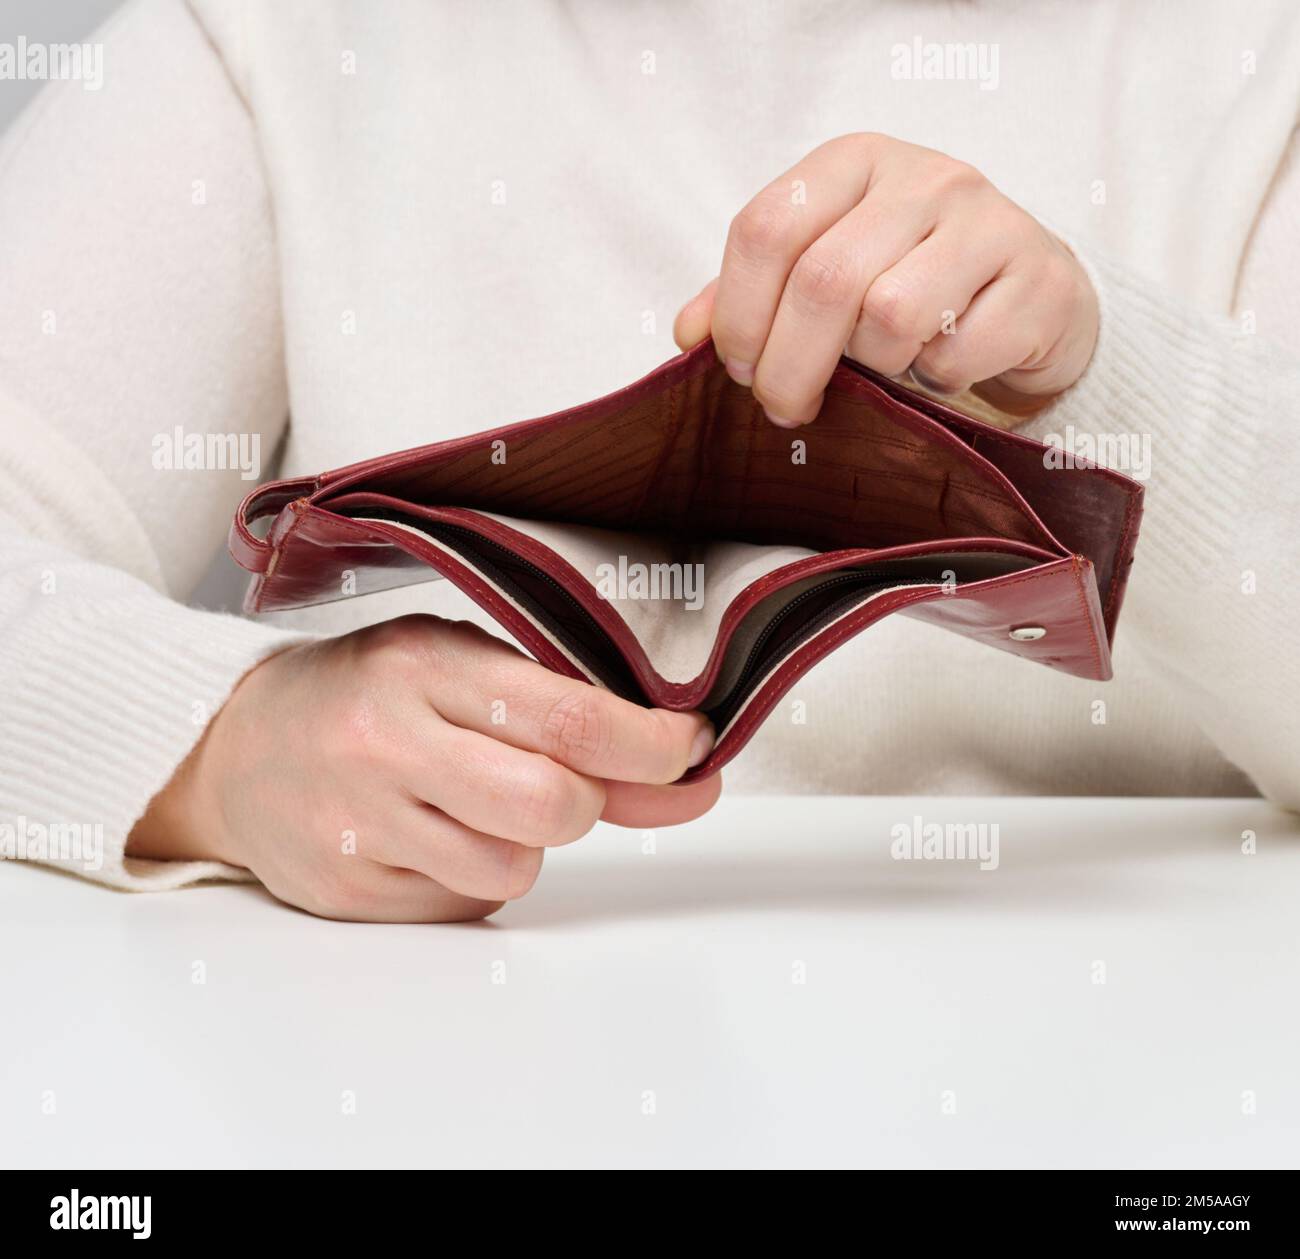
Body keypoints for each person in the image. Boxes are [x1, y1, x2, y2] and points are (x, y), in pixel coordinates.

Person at [2, 0, 1296, 921]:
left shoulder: (1254, 58)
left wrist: (1114, 384)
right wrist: (220, 749)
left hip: (1111, 1103)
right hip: (434, 1084)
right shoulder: (281, 34)